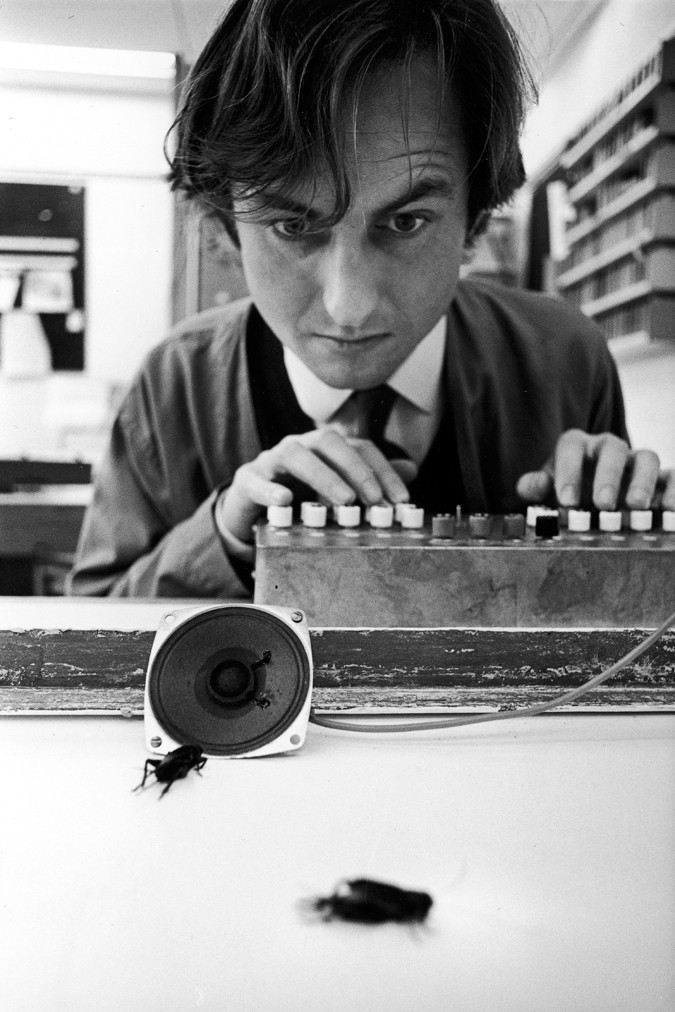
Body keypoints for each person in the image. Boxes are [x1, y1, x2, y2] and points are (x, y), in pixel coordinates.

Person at [68, 0, 674, 598]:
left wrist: (623, 529)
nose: (348, 307)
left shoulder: (567, 358)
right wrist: (223, 536)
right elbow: (90, 615)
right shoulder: (173, 385)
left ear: (475, 220)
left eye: (406, 222)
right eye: (292, 226)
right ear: (223, 230)